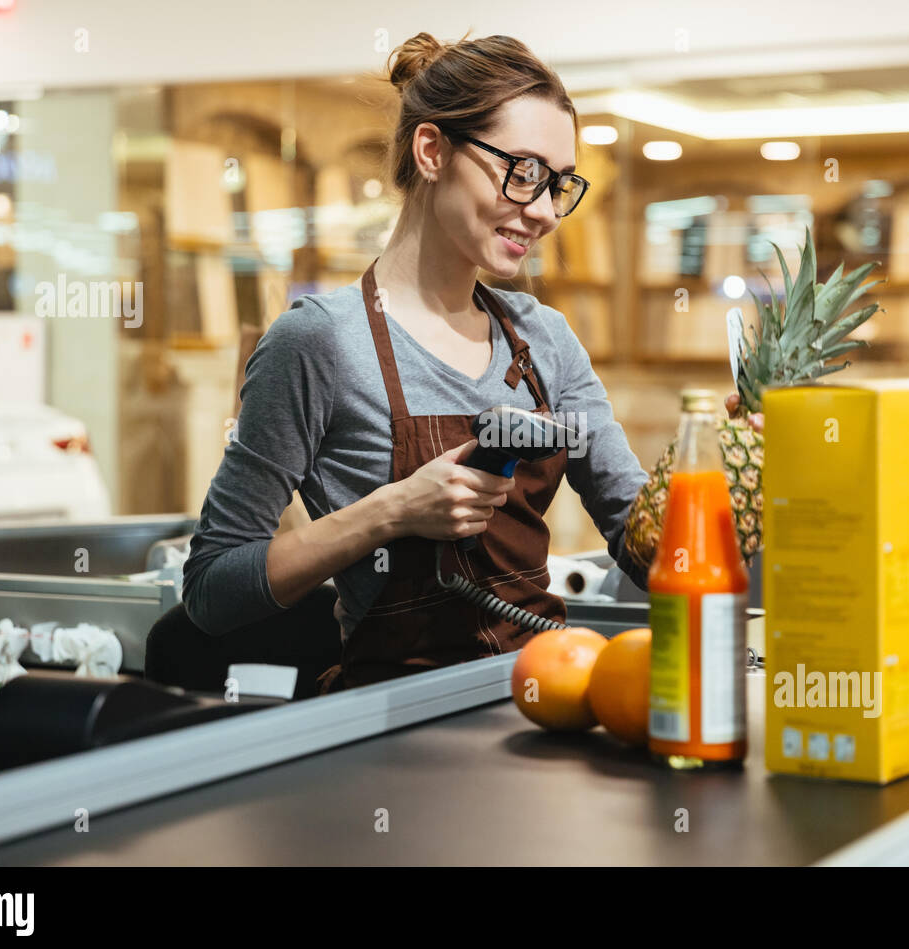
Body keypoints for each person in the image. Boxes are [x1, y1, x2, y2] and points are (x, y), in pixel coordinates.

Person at [180, 32, 653, 694]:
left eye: (559, 184)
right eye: (523, 173)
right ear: (432, 151)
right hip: (392, 728)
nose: (545, 212)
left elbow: (648, 549)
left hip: (538, 701)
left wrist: (737, 483)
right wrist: (390, 512)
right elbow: (212, 590)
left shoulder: (545, 339)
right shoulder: (318, 343)